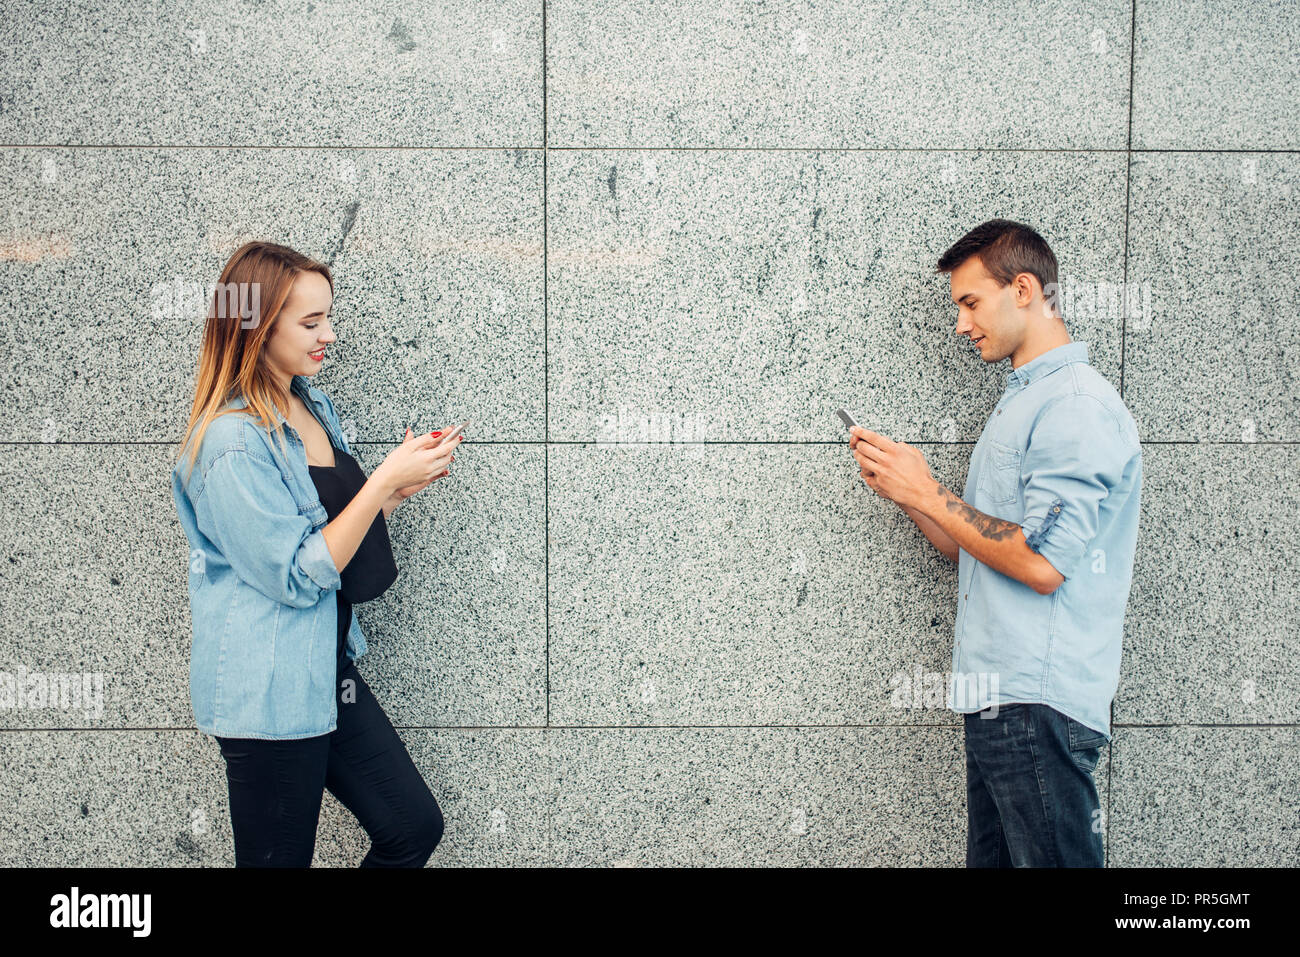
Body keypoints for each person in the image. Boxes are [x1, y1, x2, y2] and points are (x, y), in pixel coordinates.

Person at [848, 219, 1142, 867]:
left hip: (1035, 701)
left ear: (1026, 288)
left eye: (970, 302)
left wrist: (930, 492)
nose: (960, 324)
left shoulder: (1073, 404)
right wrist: (908, 493)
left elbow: (1041, 562)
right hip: (1002, 700)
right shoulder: (1027, 401)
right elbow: (986, 550)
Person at [171, 241, 462, 867]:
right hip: (270, 697)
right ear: (256, 325)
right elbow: (297, 574)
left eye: (328, 316)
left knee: (412, 828)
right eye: (311, 322)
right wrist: (380, 480)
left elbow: (331, 536)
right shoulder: (230, 444)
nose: (330, 333)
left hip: (326, 678)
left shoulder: (309, 404)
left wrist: (394, 493)